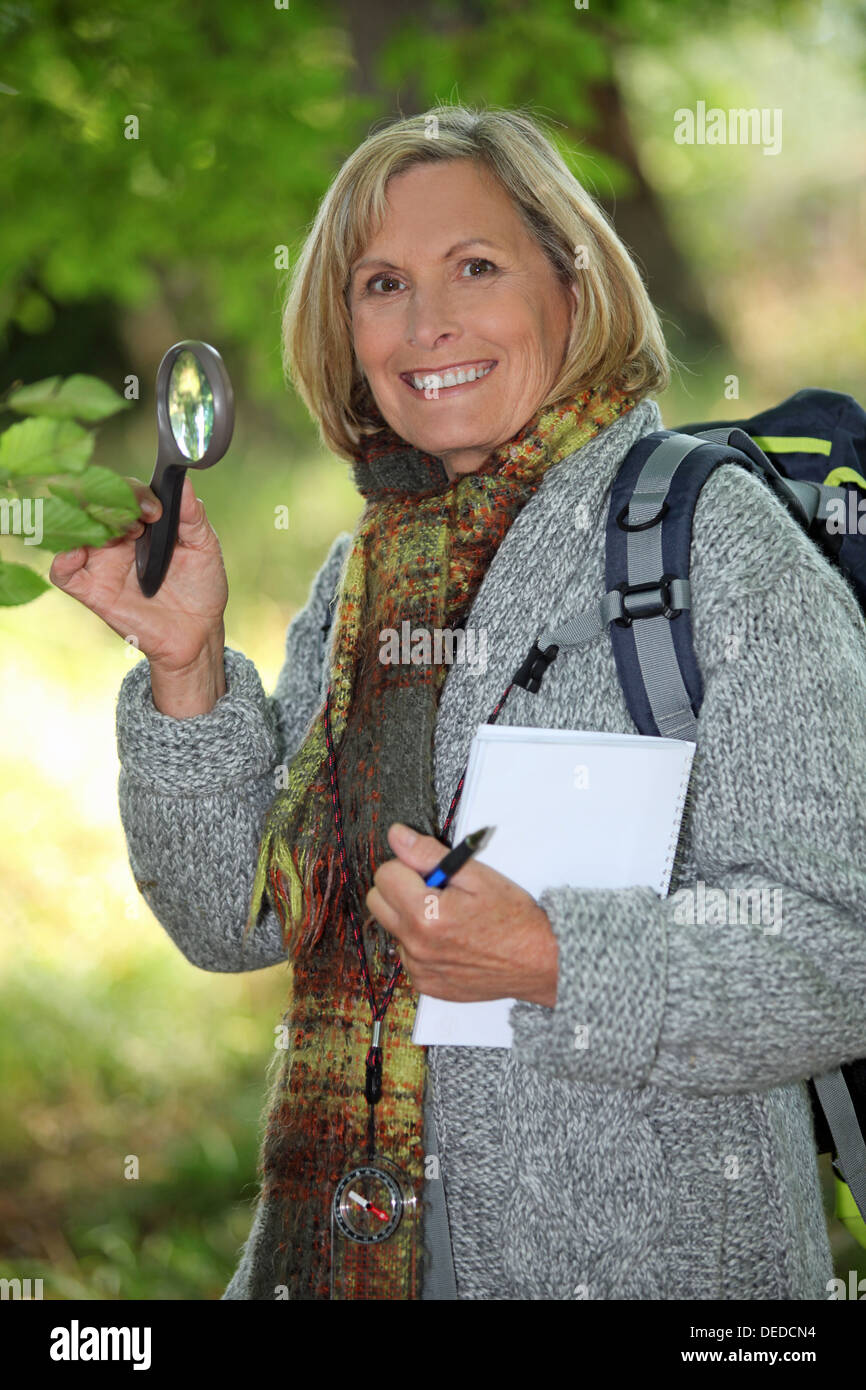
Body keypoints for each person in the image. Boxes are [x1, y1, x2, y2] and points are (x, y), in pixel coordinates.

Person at [50, 104, 866, 1301]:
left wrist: (549, 956)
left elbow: (839, 948)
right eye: (380, 282)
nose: (426, 322)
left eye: (474, 267)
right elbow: (241, 918)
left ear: (570, 289)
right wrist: (186, 665)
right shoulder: (363, 573)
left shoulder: (712, 541)